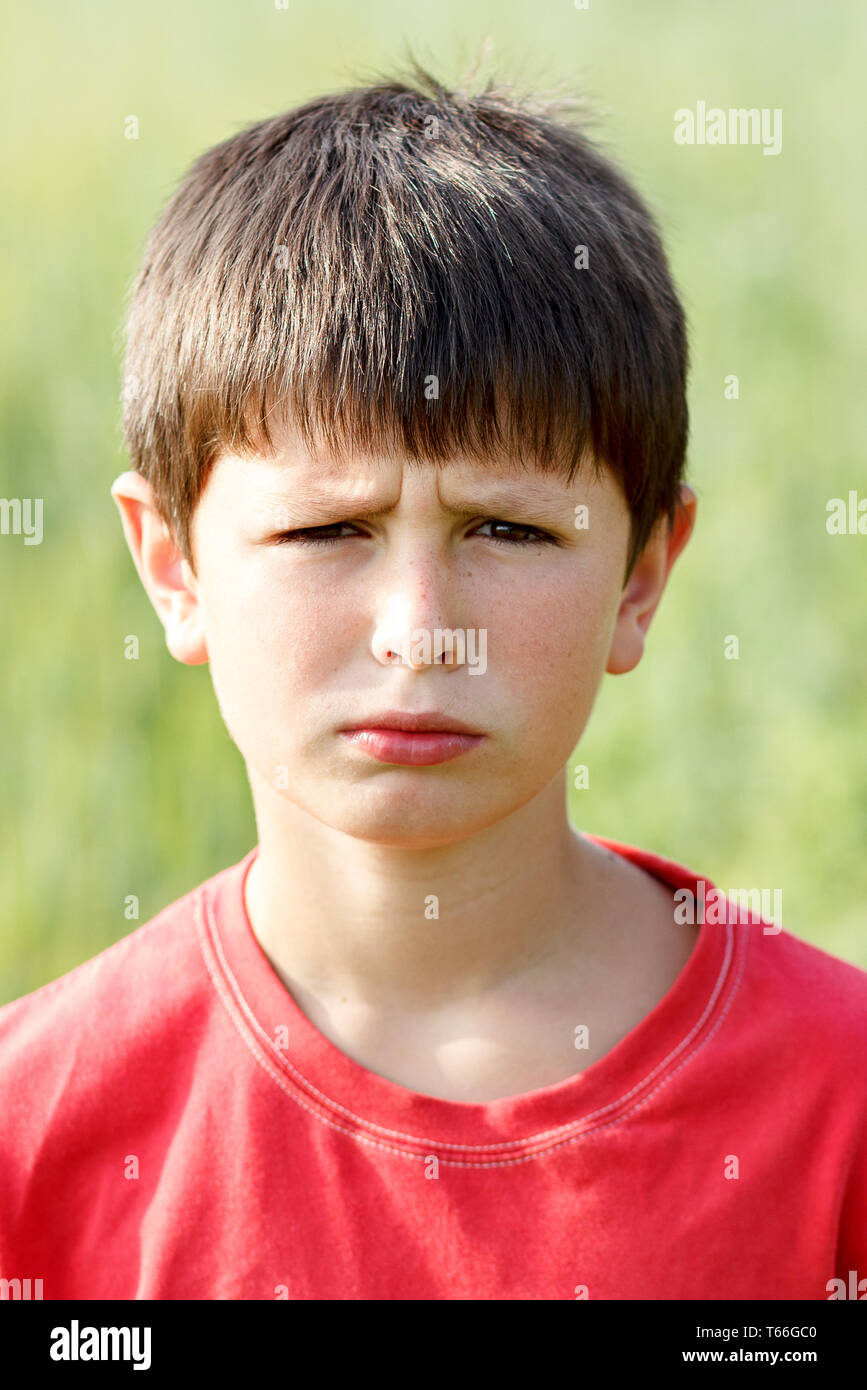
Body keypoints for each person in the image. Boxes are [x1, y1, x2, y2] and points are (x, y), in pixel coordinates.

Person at [1, 61, 865, 1301]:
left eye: (508, 531)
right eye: (325, 531)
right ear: (172, 565)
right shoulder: (35, 1138)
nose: (419, 635)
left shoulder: (840, 1103)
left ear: (642, 576)